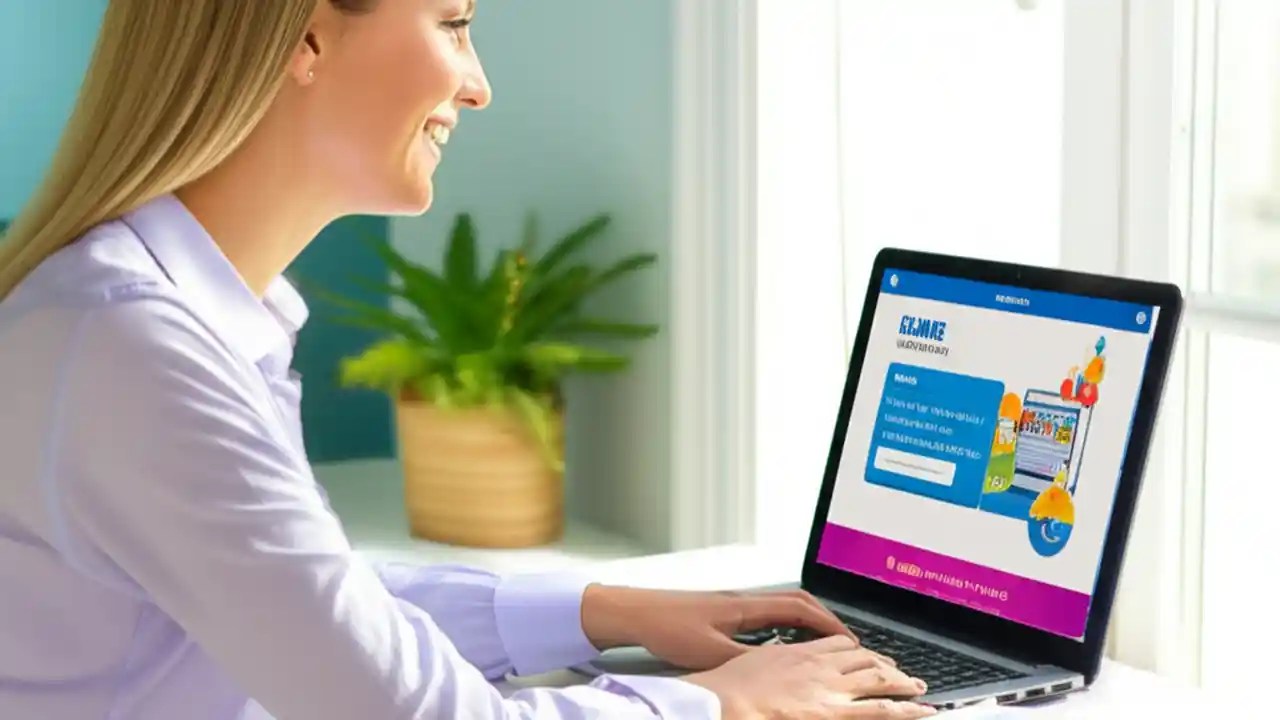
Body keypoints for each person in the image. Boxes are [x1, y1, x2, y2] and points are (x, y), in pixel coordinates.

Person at [0, 1, 937, 718]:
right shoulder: (135, 347)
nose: (477, 85)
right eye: (453, 24)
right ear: (307, 37)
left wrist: (608, 610)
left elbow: (314, 601)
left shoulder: (168, 313)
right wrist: (722, 700)